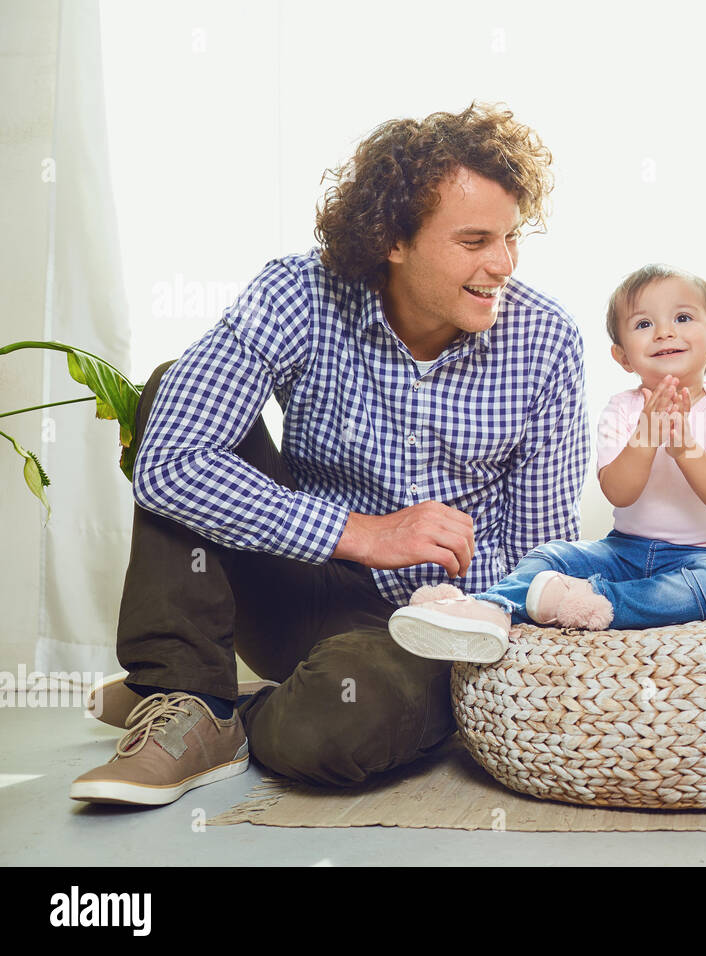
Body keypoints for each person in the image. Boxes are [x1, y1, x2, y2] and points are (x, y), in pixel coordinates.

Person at [70, 103, 589, 804]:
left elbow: (543, 552)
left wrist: (475, 636)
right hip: (298, 582)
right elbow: (168, 462)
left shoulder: (547, 340)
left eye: (511, 237)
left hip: (427, 632)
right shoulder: (298, 292)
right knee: (176, 392)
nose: (503, 264)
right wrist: (360, 534)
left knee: (331, 734)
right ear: (393, 241)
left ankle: (230, 710)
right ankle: (182, 694)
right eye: (475, 240)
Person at [387, 263, 706, 663]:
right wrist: (645, 437)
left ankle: (592, 598)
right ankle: (486, 607)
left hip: (703, 557)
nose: (665, 332)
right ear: (622, 355)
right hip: (625, 551)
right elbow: (619, 492)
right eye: (644, 324)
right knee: (553, 554)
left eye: (683, 318)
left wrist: (684, 448)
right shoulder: (622, 410)